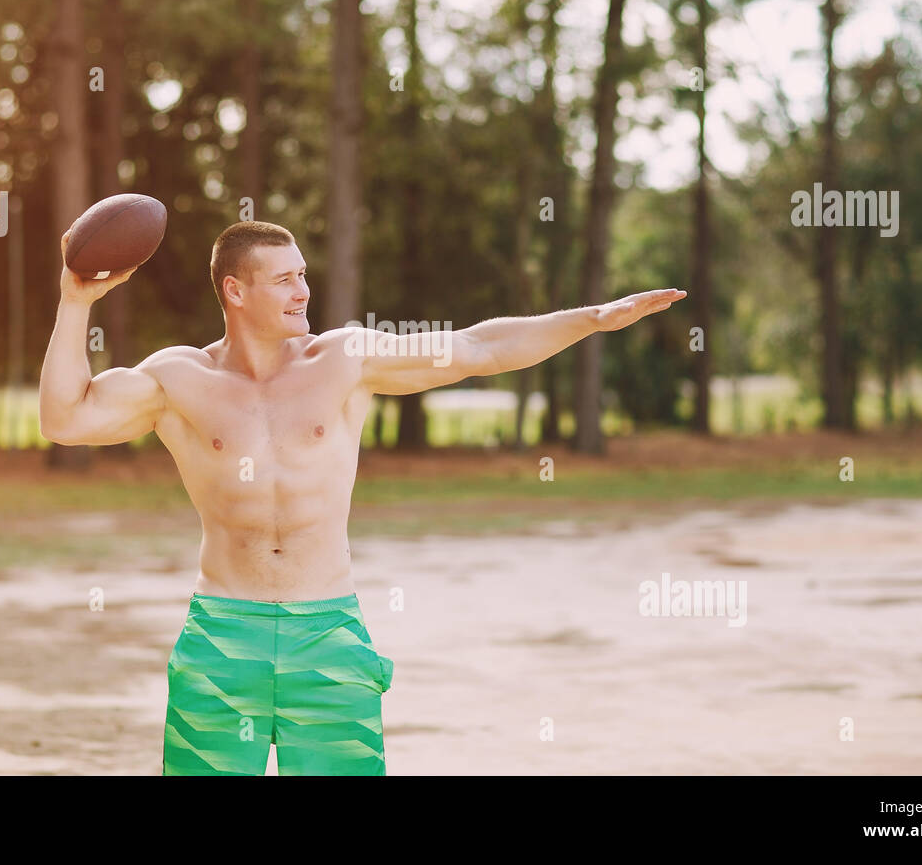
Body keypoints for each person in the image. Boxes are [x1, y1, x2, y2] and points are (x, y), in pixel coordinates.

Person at [38, 219, 686, 775]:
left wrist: (594, 319)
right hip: (222, 635)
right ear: (235, 291)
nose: (304, 290)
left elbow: (477, 347)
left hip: (327, 634)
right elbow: (65, 419)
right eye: (285, 279)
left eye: (303, 274)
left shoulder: (345, 360)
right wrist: (74, 301)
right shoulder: (177, 378)